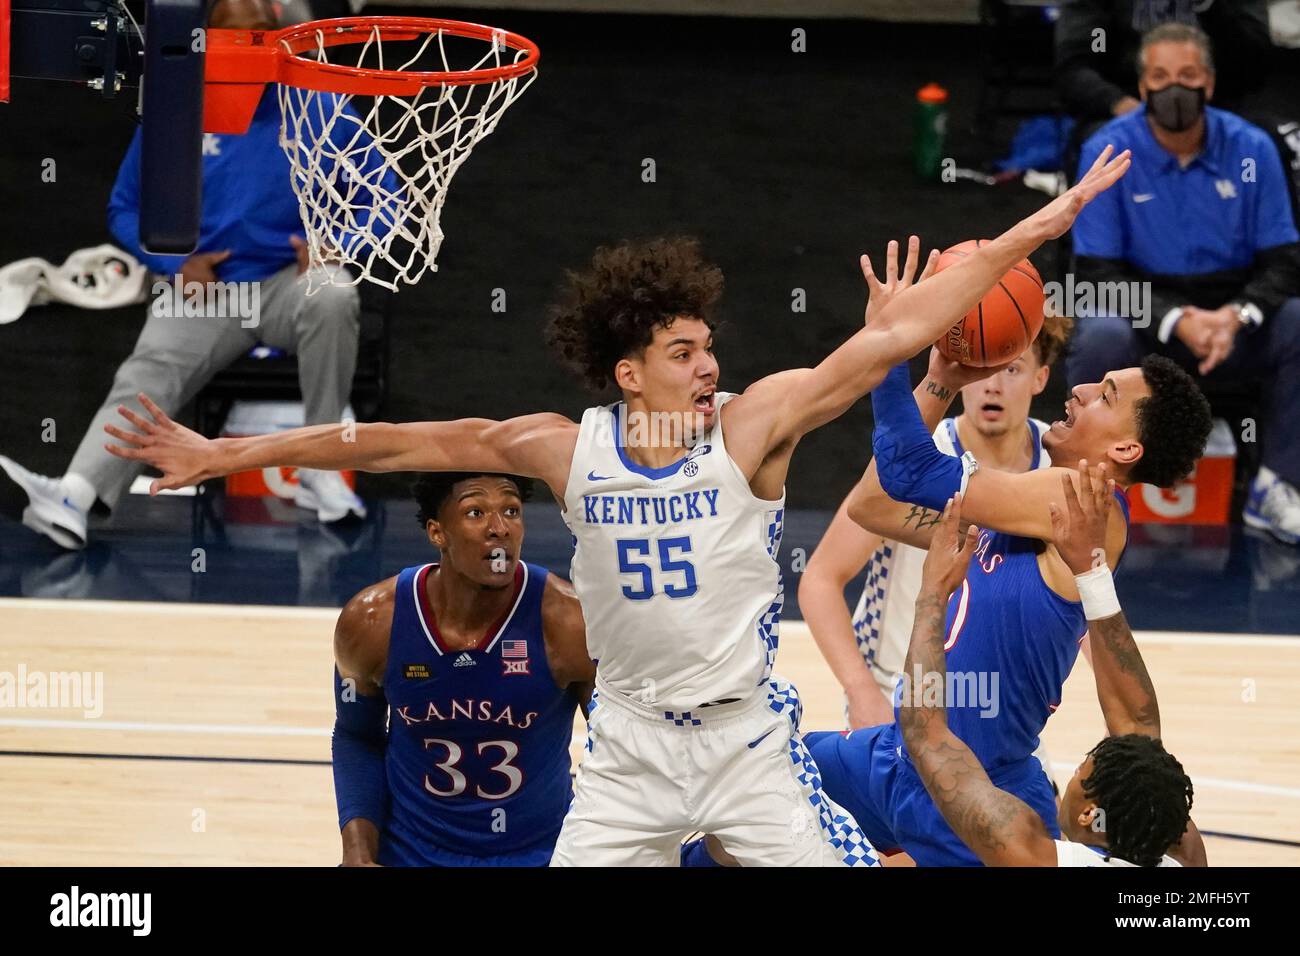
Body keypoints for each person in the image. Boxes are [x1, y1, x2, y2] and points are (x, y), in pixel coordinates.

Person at [101, 145, 1131, 866]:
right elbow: (384, 442)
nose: (708, 363)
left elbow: (891, 338)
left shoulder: (748, 426)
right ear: (627, 371)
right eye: (683, 352)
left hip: (744, 746)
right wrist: (230, 448)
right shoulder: (563, 448)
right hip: (630, 751)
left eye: (708, 346)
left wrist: (1039, 225)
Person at [802, 267, 1212, 863]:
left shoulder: (1078, 499)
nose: (1078, 391)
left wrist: (893, 345)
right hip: (898, 749)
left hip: (976, 785)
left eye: (1105, 396)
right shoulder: (1036, 508)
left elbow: (908, 471)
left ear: (1124, 450)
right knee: (758, 783)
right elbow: (873, 505)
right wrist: (939, 380)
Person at [0, 0, 394, 549]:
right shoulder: (178, 110)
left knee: (334, 297)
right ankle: (77, 494)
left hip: (286, 282)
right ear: (208, 44)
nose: (248, 47)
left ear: (279, 42)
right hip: (208, 289)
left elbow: (389, 197)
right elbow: (124, 207)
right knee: (149, 366)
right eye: (235, 37)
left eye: (260, 35)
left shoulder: (320, 107)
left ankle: (320, 465)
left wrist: (337, 247)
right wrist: (175, 264)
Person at [1066, 22, 1300, 544]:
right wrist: (1176, 319)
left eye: (1188, 75)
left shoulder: (1253, 149)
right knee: (1100, 331)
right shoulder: (1107, 151)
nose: (1175, 88)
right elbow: (1097, 273)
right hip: (1147, 325)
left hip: (1233, 322)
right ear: (1143, 87)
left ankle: (1278, 485)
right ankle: (1086, 489)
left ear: (1209, 84)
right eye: (1160, 76)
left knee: (1298, 323)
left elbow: (1285, 261)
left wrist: (1237, 316)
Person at [897, 478, 1203, 867]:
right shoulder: (1182, 857)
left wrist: (933, 593)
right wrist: (1090, 576)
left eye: (1080, 771)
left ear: (1090, 815)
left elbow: (924, 734)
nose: (1070, 777)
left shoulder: (1032, 856)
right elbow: (1139, 730)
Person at [800, 295, 1072, 732]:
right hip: (896, 689)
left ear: (1041, 378)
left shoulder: (1055, 464)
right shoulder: (923, 449)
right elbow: (820, 579)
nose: (993, 385)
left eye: (1012, 368)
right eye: (984, 366)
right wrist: (860, 691)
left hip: (997, 698)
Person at [333, 472, 594, 866]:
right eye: (476, 512)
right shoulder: (370, 622)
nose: (500, 528)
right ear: (438, 533)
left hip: (542, 853)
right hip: (410, 852)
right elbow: (356, 737)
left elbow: (617, 748)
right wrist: (357, 854)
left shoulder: (570, 622)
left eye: (511, 510)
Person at [1054, 0, 1272, 126]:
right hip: (1126, 110)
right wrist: (1120, 105)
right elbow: (1073, 69)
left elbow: (1255, 69)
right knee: (1101, 151)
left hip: (1216, 109)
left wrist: (1212, 9)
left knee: (1266, 147)